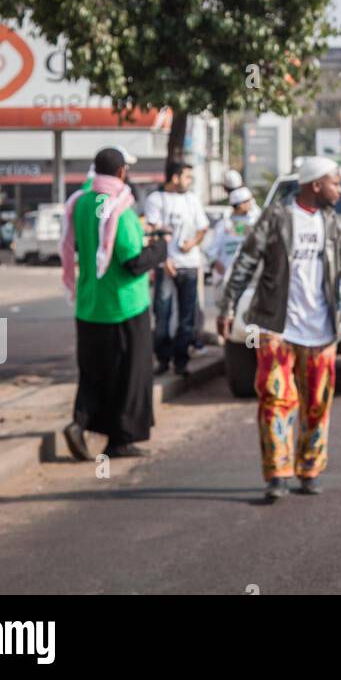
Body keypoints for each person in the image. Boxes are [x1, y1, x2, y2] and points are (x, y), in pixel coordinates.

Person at [219, 157, 341, 502]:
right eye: (335, 182)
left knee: (317, 402)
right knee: (275, 399)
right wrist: (228, 306)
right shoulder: (277, 217)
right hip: (276, 328)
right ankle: (276, 473)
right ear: (315, 184)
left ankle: (309, 467)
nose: (340, 189)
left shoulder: (333, 221)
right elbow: (246, 261)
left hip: (321, 331)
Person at [61, 148, 170, 461]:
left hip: (89, 305)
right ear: (121, 172)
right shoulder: (118, 207)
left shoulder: (81, 202)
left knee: (94, 372)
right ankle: (119, 440)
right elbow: (132, 261)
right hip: (124, 306)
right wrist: (160, 249)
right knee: (130, 375)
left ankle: (80, 423)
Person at [143, 161, 211, 374]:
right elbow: (153, 234)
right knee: (162, 313)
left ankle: (181, 361)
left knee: (187, 316)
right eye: (187, 176)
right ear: (175, 177)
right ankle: (163, 359)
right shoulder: (157, 200)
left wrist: (192, 243)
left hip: (189, 265)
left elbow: (203, 228)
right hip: (167, 266)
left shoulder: (192, 200)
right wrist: (164, 261)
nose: (190, 181)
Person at [207, 186, 260, 288]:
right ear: (240, 205)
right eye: (248, 201)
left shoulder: (254, 223)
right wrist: (217, 266)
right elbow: (211, 251)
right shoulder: (224, 225)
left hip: (250, 280)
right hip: (227, 280)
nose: (251, 203)